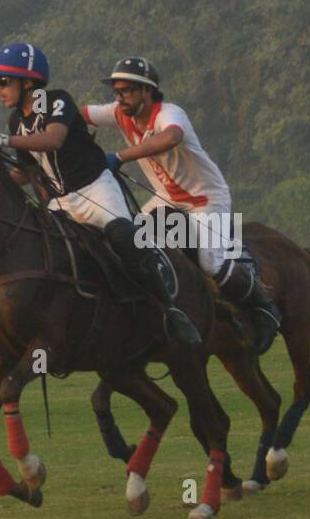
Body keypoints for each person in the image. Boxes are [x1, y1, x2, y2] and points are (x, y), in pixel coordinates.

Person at [0, 43, 201, 347]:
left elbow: (53, 140)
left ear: (28, 82)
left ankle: (171, 311)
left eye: (4, 81)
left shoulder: (56, 101)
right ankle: (32, 337)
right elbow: (27, 172)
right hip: (60, 201)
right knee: (40, 251)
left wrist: (4, 140)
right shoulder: (17, 121)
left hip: (95, 188)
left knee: (124, 236)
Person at [82, 57, 281, 352]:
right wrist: (47, 111)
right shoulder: (118, 112)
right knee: (128, 243)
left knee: (210, 261)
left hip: (206, 198)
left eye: (126, 90)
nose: (119, 97)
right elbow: (78, 114)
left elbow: (171, 137)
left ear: (147, 91)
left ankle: (266, 308)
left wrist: (121, 157)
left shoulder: (170, 113)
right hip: (167, 199)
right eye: (116, 91)